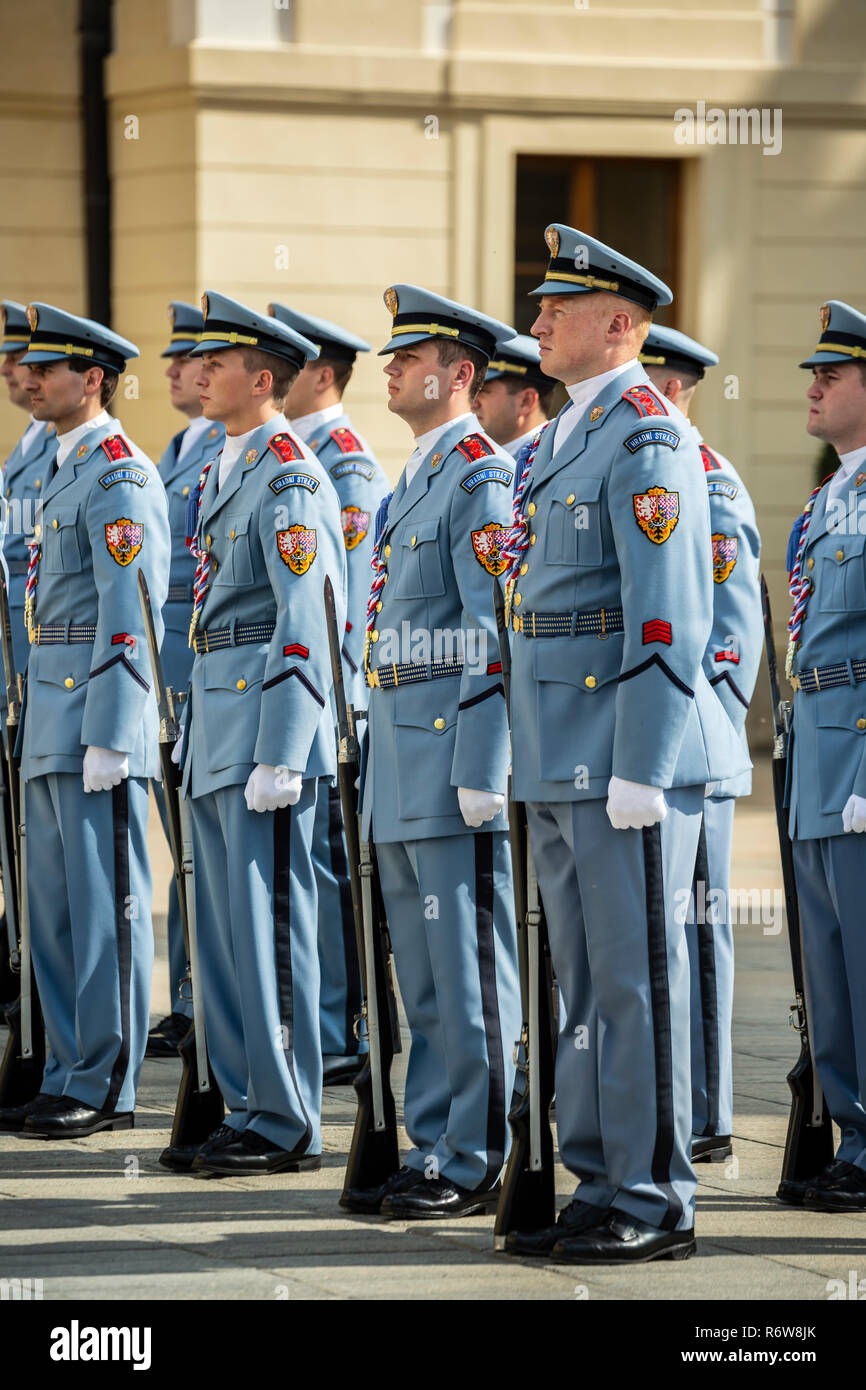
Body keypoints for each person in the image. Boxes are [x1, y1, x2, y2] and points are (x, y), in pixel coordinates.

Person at [503, 225, 747, 1263]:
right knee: (584, 985)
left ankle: (651, 1199)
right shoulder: (563, 436)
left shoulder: (647, 434)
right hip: (557, 743)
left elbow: (666, 613)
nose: (536, 322)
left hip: (618, 747)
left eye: (556, 308)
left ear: (619, 324)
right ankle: (596, 1177)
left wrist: (643, 761)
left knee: (638, 980)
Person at [348, 284, 521, 1220]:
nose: (391, 368)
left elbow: (490, 633)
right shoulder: (412, 476)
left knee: (465, 968)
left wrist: (481, 767)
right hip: (400, 753)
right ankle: (434, 1143)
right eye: (390, 355)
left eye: (409, 358)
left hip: (449, 754)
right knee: (421, 970)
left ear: (459, 375)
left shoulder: (479, 478)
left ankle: (477, 1151)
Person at [174, 291, 347, 1177]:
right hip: (220, 720)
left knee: (270, 928)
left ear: (262, 377)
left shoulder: (288, 474)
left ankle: (286, 1120)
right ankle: (247, 1103)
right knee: (226, 931)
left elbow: (304, 618)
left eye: (217, 361)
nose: (198, 373)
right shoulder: (231, 464)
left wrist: (284, 744)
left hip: (261, 731)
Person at [0, 303, 170, 1138]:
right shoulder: (62, 469)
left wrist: (111, 728)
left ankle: (110, 1082)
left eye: (49, 367)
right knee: (59, 909)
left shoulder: (118, 474)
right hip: (50, 713)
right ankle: (69, 1066)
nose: (30, 379)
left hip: (94, 721)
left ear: (92, 378)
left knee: (108, 907)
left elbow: (128, 612)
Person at [640, 325, 762, 1165]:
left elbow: (730, 634)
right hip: (640, 741)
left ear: (675, 388)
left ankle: (709, 1109)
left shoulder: (710, 482)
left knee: (698, 926)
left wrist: (693, 726)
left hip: (692, 741)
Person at [269, 302, 389, 1086]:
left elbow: (342, 605)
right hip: (313, 693)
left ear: (320, 373)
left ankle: (345, 1025)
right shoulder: (291, 455)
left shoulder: (342, 464)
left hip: (332, 696)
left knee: (331, 867)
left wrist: (340, 703)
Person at [781, 299, 866, 1212]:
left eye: (831, 375)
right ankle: (851, 1134)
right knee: (830, 971)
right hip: (817, 761)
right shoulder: (829, 499)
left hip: (861, 763)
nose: (814, 386)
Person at [146, 302, 224, 1059]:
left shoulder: (234, 450)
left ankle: (208, 999)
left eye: (189, 358)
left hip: (215, 673)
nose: (173, 372)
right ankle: (190, 994)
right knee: (186, 845)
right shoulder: (182, 445)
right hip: (178, 672)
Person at [1, 300, 59, 673]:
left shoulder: (61, 445)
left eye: (18, 356)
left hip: (32, 627)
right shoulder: (30, 439)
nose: (5, 367)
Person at [474, 333, 556, 459]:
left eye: (483, 391)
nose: (472, 402)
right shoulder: (478, 456)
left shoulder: (553, 456)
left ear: (526, 401)